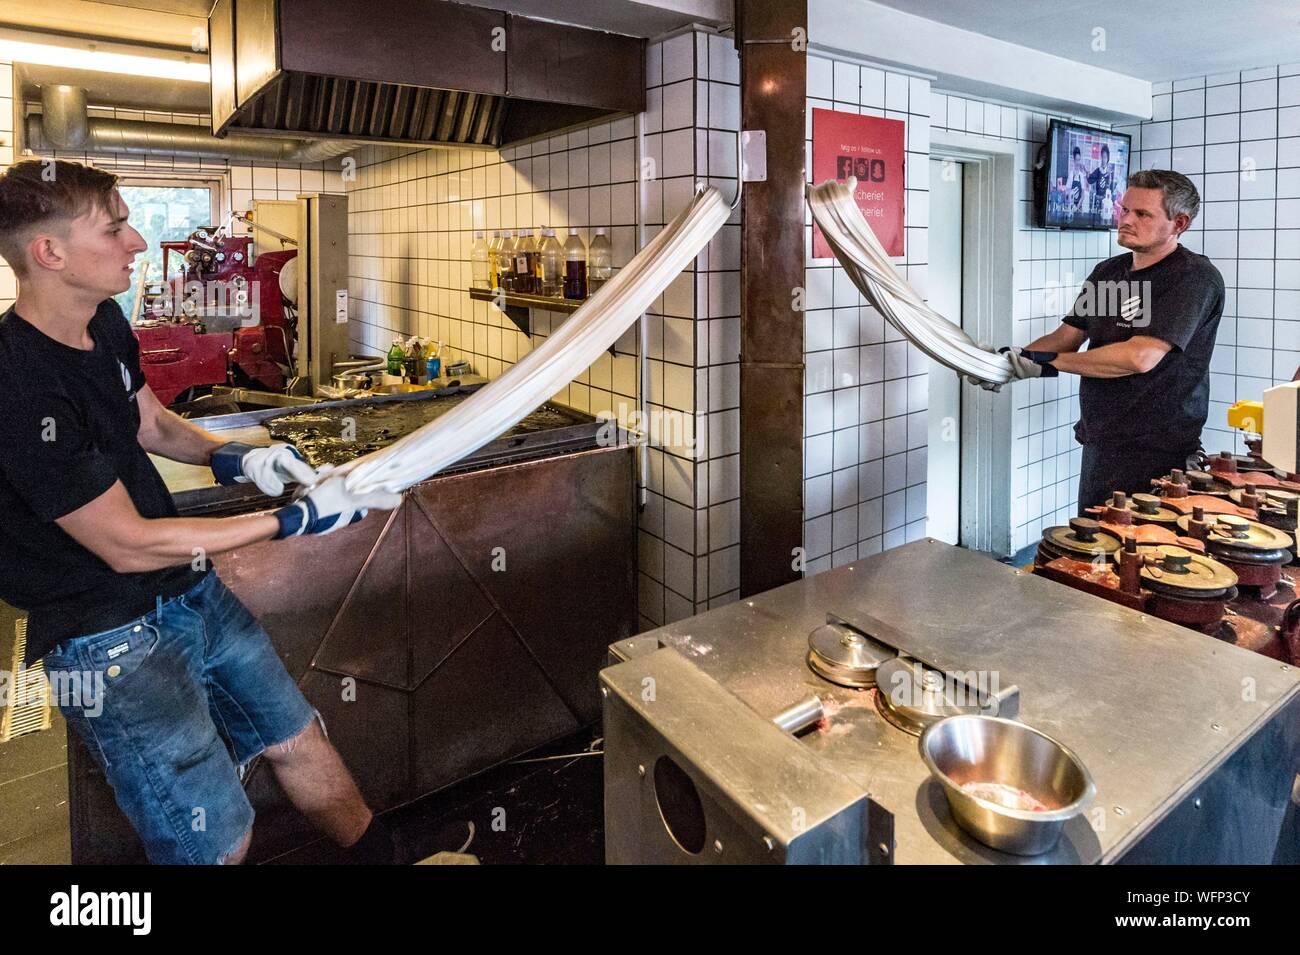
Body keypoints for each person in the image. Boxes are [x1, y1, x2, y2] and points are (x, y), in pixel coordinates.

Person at [0, 159, 410, 864]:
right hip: (108, 638)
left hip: (189, 590)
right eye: (117, 226)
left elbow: (151, 424)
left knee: (296, 736)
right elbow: (126, 544)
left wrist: (239, 456)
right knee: (217, 837)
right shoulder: (16, 381)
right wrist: (294, 519)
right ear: (50, 252)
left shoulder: (102, 321)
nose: (135, 242)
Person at [988, 169, 1223, 512]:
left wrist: (1044, 363)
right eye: (1124, 209)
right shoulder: (1108, 272)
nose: (1126, 220)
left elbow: (1138, 357)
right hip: (1101, 440)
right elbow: (1066, 337)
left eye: (1142, 214)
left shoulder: (1194, 277)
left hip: (1159, 450)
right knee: (1095, 545)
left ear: (1179, 223)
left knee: (1143, 553)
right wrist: (1007, 361)